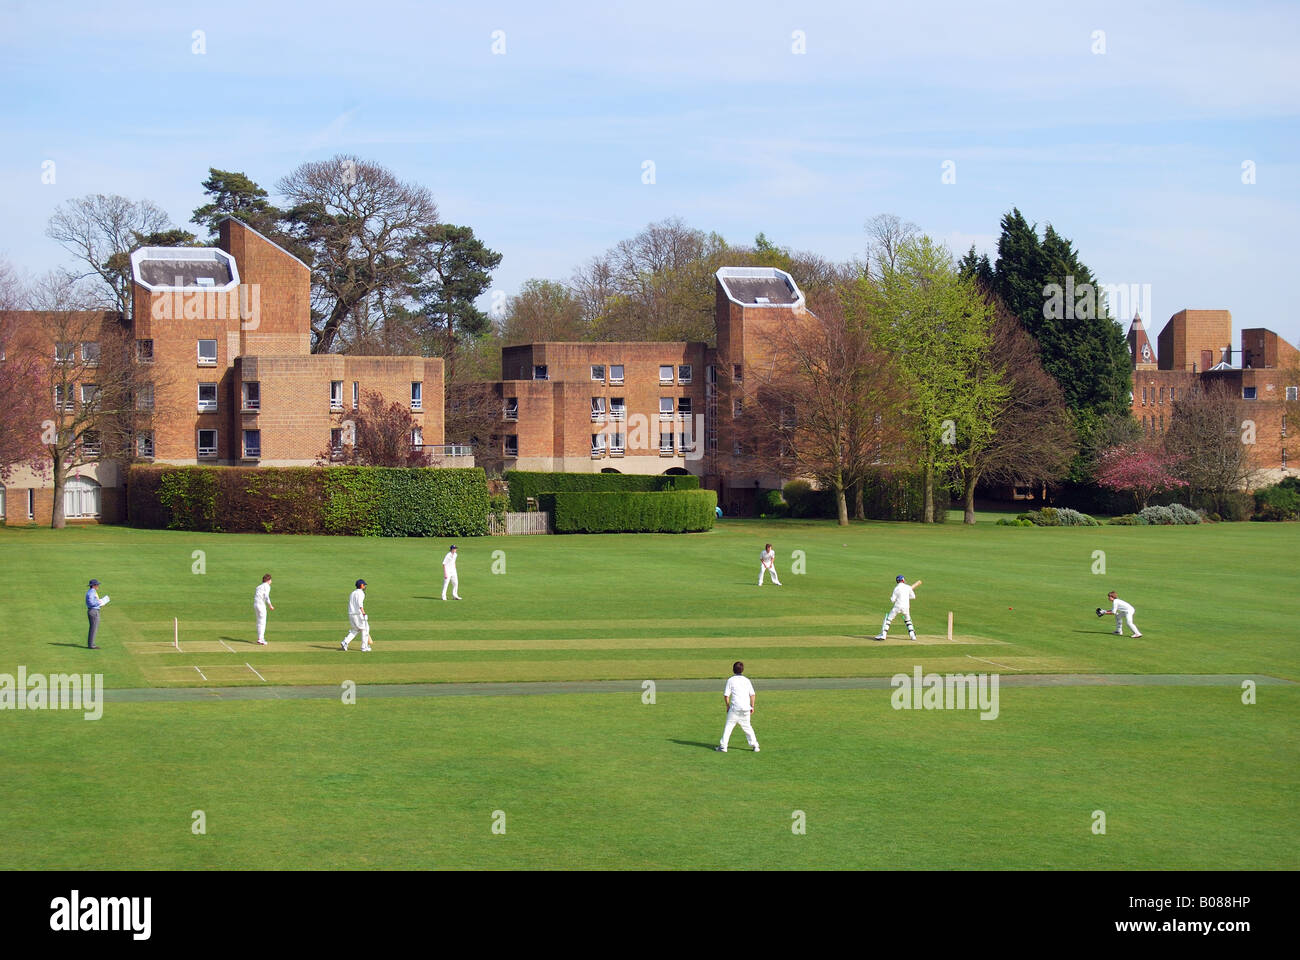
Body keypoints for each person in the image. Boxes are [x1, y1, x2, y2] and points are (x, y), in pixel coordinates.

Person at [715, 661, 760, 753]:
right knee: (747, 727)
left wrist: (727, 706)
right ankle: (755, 746)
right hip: (746, 709)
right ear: (742, 670)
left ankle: (723, 747)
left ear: (733, 670)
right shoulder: (747, 680)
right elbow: (752, 694)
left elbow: (726, 695)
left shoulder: (730, 680)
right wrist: (752, 706)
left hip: (735, 708)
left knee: (729, 727)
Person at [874, 575, 922, 641]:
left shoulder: (896, 588)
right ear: (903, 580)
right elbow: (913, 597)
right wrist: (905, 596)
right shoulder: (908, 587)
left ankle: (883, 635)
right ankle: (913, 636)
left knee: (889, 619)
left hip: (897, 606)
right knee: (908, 620)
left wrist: (897, 598)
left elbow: (892, 600)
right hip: (906, 607)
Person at [341, 579, 371, 652]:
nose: (365, 586)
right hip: (358, 614)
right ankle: (364, 647)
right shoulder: (361, 593)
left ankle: (345, 642)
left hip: (351, 614)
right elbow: (360, 604)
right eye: (364, 585)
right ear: (361, 585)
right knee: (365, 629)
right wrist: (364, 613)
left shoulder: (352, 593)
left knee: (355, 629)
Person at [85, 579, 110, 650]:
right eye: (97, 584)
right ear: (93, 585)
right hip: (93, 611)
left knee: (93, 628)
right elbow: (91, 603)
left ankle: (91, 644)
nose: (98, 585)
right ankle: (91, 645)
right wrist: (99, 603)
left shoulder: (92, 592)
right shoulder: (91, 593)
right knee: (94, 628)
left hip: (94, 610)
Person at [253, 574, 274, 645]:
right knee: (262, 622)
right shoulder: (267, 586)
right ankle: (261, 639)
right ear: (268, 580)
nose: (271, 581)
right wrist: (270, 605)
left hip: (256, 605)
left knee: (259, 621)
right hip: (261, 605)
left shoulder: (258, 586)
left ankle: (260, 638)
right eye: (270, 580)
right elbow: (266, 596)